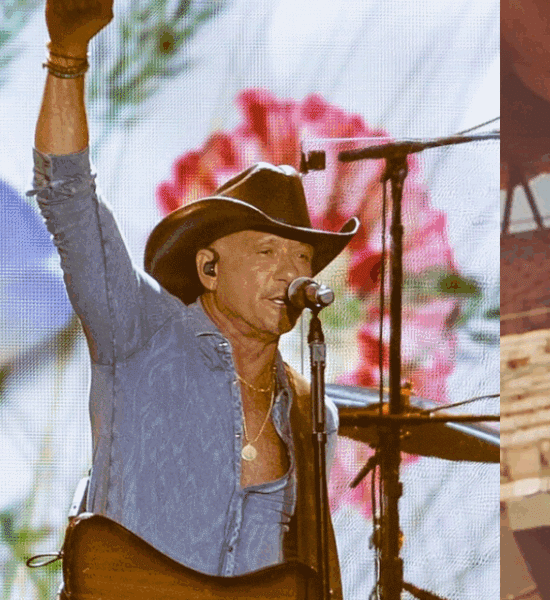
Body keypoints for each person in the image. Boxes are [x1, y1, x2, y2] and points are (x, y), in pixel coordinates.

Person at [31, 0, 358, 594]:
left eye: (302, 259)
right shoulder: (138, 331)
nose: (289, 272)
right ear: (208, 267)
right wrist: (67, 58)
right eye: (266, 252)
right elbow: (68, 198)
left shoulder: (313, 414)